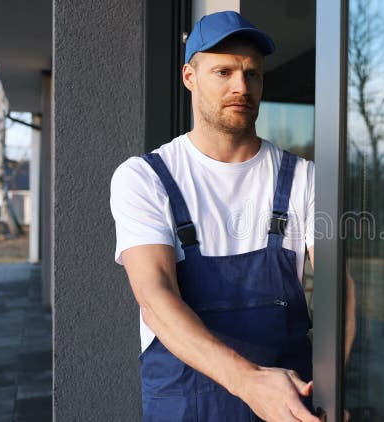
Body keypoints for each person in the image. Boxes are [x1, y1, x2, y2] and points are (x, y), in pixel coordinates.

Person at [110, 10, 330, 421]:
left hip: (289, 408)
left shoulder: (304, 179)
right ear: (189, 76)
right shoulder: (145, 178)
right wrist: (250, 383)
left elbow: (343, 293)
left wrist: (338, 388)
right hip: (184, 406)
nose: (241, 87)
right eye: (223, 72)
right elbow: (155, 299)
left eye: (252, 73)